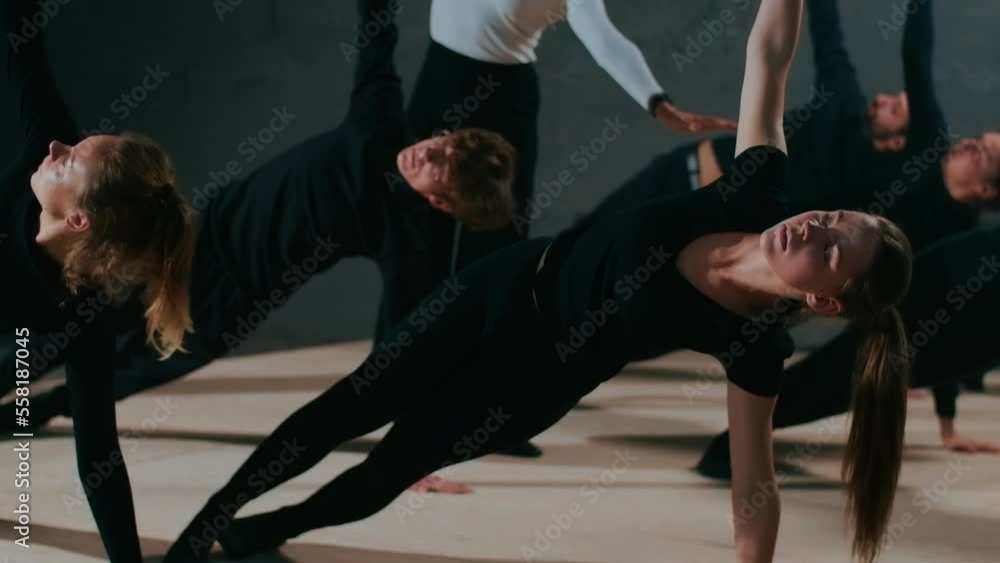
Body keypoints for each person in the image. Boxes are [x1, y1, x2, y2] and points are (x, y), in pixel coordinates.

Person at [164, 1, 913, 562]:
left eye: (830, 250)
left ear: (823, 300)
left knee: (391, 465)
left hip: (524, 382)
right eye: (835, 215)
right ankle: (201, 530)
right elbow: (770, 56)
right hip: (497, 285)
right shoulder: (759, 185)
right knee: (344, 407)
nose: (812, 226)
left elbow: (756, 490)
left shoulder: (754, 348)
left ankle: (266, 531)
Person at [0, 0, 518, 436]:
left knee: (133, 370)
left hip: (232, 300)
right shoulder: (380, 126)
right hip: (193, 238)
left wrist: (404, 448)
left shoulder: (409, 238)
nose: (426, 153)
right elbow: (376, 39)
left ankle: (33, 414)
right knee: (72, 328)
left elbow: (396, 341)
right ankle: (15, 389)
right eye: (440, 144)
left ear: (441, 203)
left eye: (440, 168)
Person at [582, 0, 999, 413]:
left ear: (987, 192)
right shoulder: (878, 125)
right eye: (978, 139)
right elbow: (898, 52)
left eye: (982, 154)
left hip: (761, 253)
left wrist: (942, 412)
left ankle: (586, 354)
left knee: (652, 313)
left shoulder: (919, 209)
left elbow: (918, 304)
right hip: (694, 188)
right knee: (596, 253)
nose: (968, 144)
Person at [403, 0, 738, 458]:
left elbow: (604, 39)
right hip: (441, 85)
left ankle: (488, 415)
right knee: (420, 247)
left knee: (498, 259)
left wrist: (658, 103)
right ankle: (404, 402)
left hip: (504, 100)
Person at [0, 1, 197, 561]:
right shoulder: (52, 150)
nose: (57, 148)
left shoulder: (81, 315)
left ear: (80, 219)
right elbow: (25, 51)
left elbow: (98, 458)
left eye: (67, 162)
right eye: (70, 147)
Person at [696, 225, 1000, 480]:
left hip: (960, 322)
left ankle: (735, 446)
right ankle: (732, 448)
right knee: (837, 374)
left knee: (850, 386)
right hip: (930, 298)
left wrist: (948, 427)